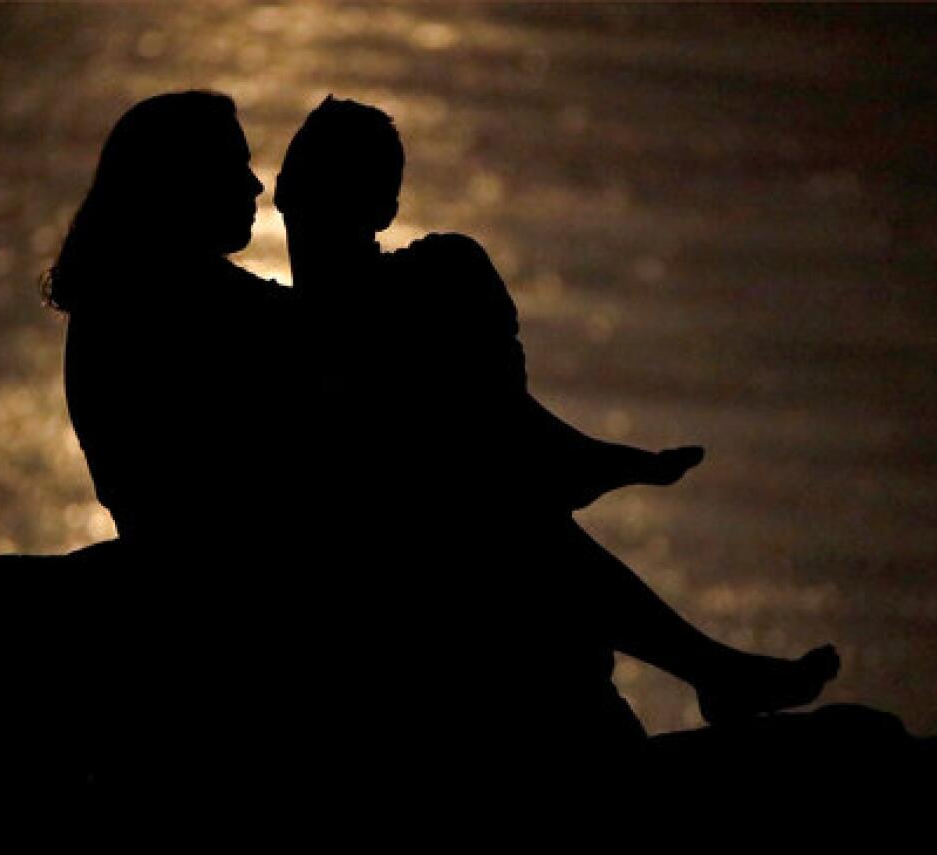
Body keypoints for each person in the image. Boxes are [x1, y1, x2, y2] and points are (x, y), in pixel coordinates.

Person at [273, 96, 840, 781]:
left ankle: (710, 665)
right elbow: (495, 434)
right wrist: (604, 462)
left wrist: (598, 461)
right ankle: (712, 667)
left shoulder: (372, 303)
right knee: (508, 514)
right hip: (406, 594)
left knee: (506, 506)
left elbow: (496, 424)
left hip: (457, 562)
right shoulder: (293, 330)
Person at [42, 90, 303, 792]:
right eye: (235, 167)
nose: (255, 186)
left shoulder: (131, 298)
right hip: (221, 606)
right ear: (181, 184)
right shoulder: (183, 308)